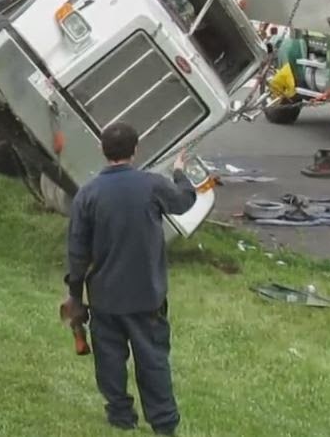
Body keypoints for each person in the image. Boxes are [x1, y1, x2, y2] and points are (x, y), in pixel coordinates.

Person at [61, 122, 195, 435]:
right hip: (147, 295)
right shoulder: (152, 185)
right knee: (153, 361)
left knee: (109, 360)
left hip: (105, 298)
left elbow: (77, 254)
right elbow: (184, 202)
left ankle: (121, 415)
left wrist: (74, 295)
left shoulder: (87, 195)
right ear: (135, 150)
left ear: (101, 150)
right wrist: (180, 172)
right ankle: (163, 424)